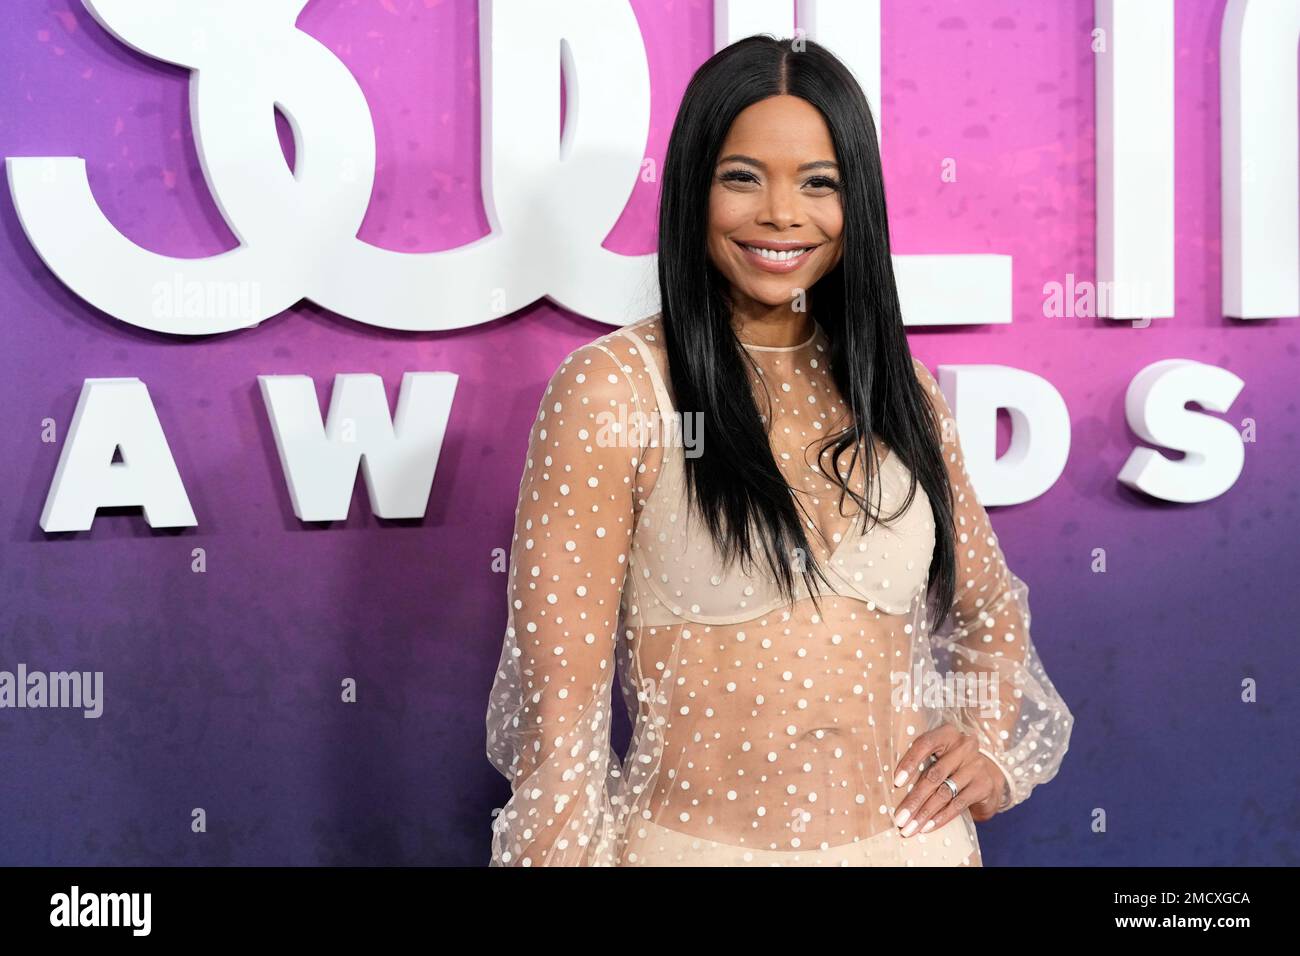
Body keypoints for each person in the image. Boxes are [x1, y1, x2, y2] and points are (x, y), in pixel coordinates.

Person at [485, 35, 1073, 866]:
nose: (781, 214)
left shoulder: (899, 389)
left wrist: (986, 741)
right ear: (694, 187)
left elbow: (989, 608)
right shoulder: (613, 392)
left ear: (855, 202)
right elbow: (561, 731)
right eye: (742, 177)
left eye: (819, 183)